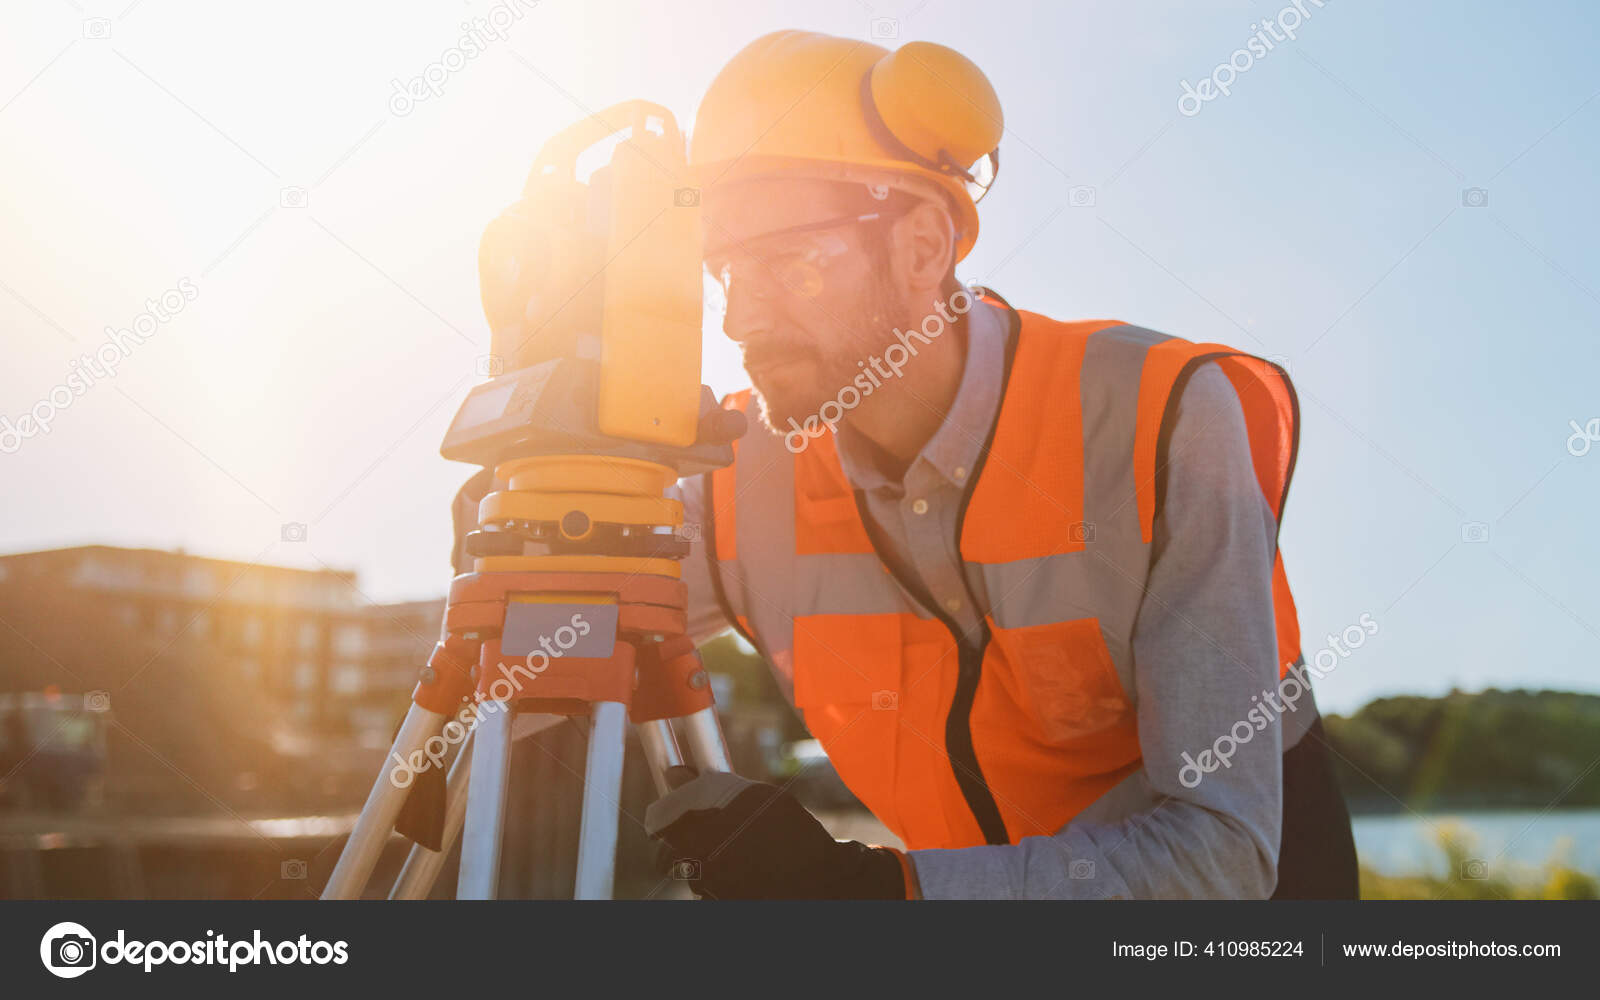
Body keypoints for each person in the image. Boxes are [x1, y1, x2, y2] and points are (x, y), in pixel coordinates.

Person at [458, 29, 1358, 899]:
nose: (737, 321)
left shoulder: (1156, 422)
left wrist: (876, 894)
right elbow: (555, 620)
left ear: (924, 247)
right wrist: (542, 476)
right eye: (724, 272)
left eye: (786, 262)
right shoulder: (735, 483)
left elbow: (1225, 862)